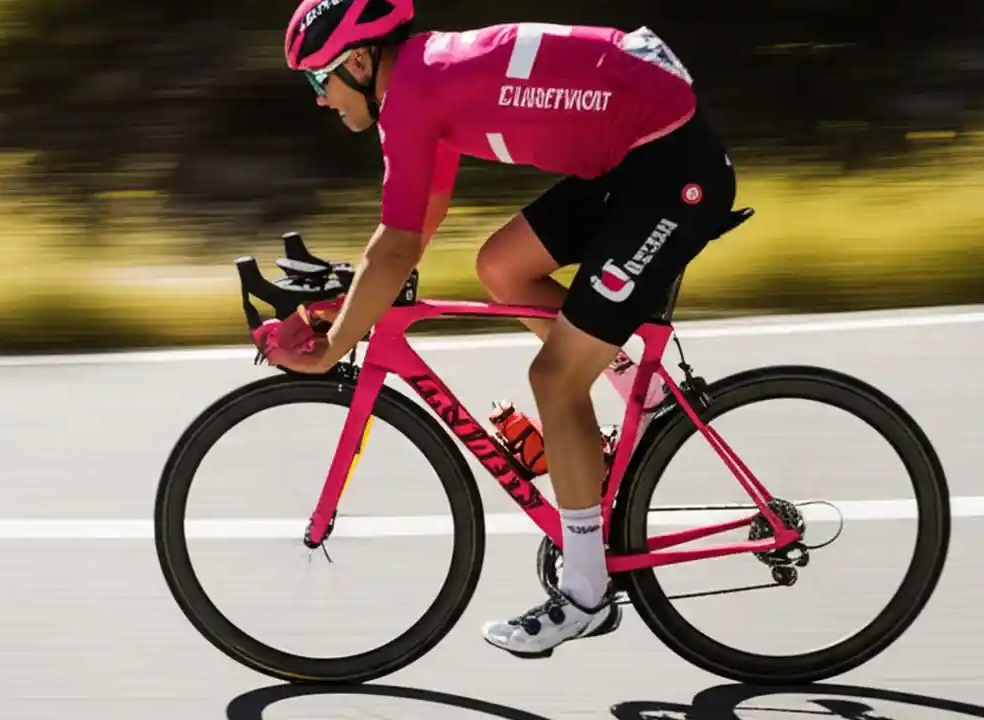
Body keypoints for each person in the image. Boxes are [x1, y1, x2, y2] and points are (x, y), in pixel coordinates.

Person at [272, 0, 738, 658]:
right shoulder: (421, 77)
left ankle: (583, 596)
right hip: (640, 154)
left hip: (669, 173)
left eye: (317, 81)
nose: (319, 100)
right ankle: (649, 397)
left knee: (555, 380)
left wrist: (332, 348)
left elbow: (399, 246)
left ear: (355, 61)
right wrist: (352, 309)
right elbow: (411, 229)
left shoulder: (411, 94)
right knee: (501, 265)